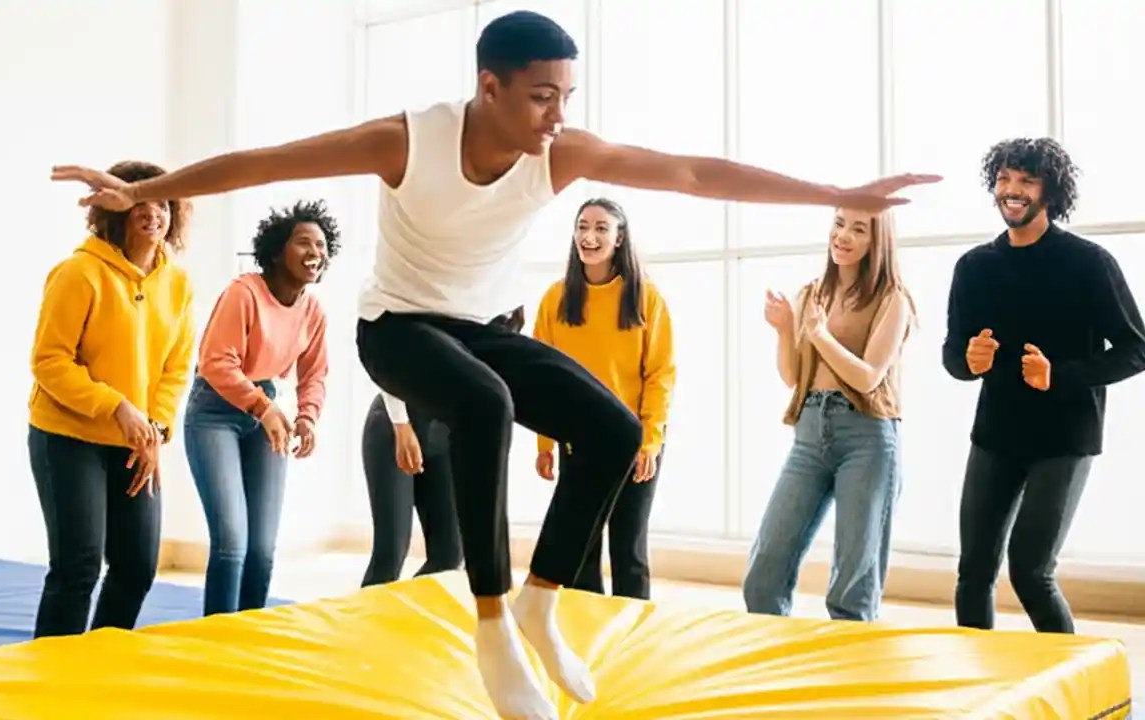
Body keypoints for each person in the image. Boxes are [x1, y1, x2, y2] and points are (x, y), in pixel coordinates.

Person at [51, 11, 939, 718]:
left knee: (615, 429)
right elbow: (266, 162)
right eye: (543, 96)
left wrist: (835, 194)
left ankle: (541, 605)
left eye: (568, 95)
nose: (560, 115)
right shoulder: (408, 138)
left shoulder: (559, 154)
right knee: (483, 406)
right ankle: (489, 618)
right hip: (396, 328)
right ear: (490, 87)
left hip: (481, 326)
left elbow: (691, 174)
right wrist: (144, 191)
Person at [943, 138, 1145, 634]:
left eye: (1026, 181)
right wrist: (969, 362)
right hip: (996, 435)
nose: (1012, 191)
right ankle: (979, 694)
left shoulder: (1089, 263)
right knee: (973, 573)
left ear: (1050, 192)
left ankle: (1080, 700)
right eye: (1005, 180)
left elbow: (1136, 348)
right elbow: (953, 358)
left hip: (1065, 438)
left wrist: (1060, 375)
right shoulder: (974, 267)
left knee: (1031, 572)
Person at [27, 160, 194, 638]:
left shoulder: (179, 284)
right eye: (138, 200)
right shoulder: (78, 273)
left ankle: (93, 670)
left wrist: (155, 427)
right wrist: (117, 406)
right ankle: (52, 686)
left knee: (138, 566)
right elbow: (49, 362)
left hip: (136, 441)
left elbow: (176, 367)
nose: (152, 213)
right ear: (111, 209)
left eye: (161, 202)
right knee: (77, 568)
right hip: (67, 436)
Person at [742, 208, 914, 623]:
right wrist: (785, 330)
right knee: (765, 567)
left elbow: (869, 376)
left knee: (853, 583)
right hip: (808, 432)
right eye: (840, 224)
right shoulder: (811, 294)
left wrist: (820, 334)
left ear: (877, 241)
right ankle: (772, 664)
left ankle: (850, 677)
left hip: (867, 437)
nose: (844, 235)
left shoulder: (893, 299)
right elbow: (794, 377)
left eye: (859, 229)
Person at [183, 200, 338, 616]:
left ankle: (248, 639)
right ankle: (217, 637)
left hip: (264, 408)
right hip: (216, 409)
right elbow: (216, 362)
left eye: (322, 245)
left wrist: (308, 416)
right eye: (303, 242)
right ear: (276, 251)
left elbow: (315, 372)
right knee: (232, 542)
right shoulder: (244, 293)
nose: (315, 252)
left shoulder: (312, 309)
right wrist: (262, 406)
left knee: (262, 549)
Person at [532, 198, 674, 600]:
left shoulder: (646, 298)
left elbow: (661, 374)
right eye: (582, 227)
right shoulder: (555, 298)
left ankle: (633, 643)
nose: (589, 236)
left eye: (600, 228)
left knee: (628, 548)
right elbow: (541, 379)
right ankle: (586, 642)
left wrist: (651, 441)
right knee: (582, 550)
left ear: (619, 237)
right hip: (579, 439)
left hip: (634, 437)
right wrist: (545, 443)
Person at [361, 306, 525, 588]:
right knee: (390, 554)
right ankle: (365, 629)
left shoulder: (508, 311)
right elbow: (390, 358)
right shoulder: (443, 300)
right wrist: (401, 426)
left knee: (449, 556)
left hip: (445, 432)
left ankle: (405, 621)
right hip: (395, 426)